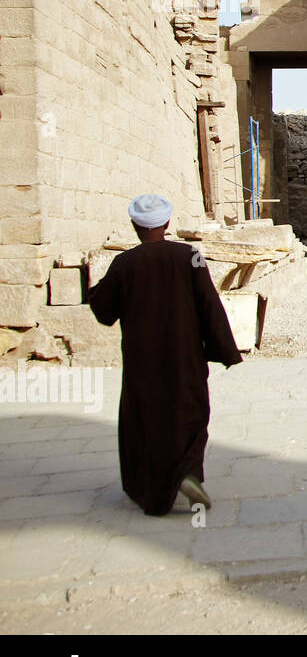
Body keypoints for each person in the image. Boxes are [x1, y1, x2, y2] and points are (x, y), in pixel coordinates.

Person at [88, 194, 242, 515]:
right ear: (167, 223)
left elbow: (104, 310)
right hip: (185, 356)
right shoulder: (191, 256)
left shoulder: (124, 263)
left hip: (141, 361)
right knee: (191, 414)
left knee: (145, 419)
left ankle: (154, 491)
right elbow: (209, 305)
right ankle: (186, 472)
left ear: (135, 226)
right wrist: (224, 348)